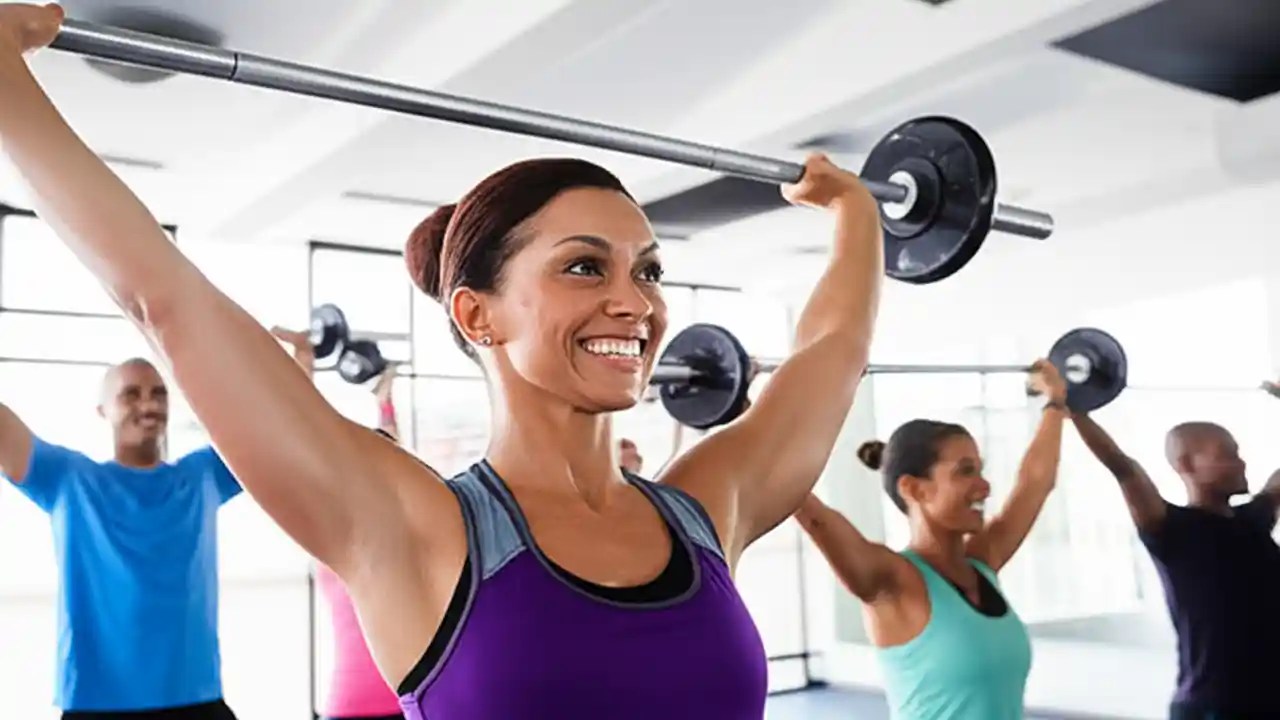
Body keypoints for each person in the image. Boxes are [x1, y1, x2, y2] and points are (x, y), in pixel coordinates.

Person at [0, 6, 884, 717]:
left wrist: (857, 217)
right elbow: (167, 299)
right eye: (585, 266)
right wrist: (6, 81)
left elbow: (832, 354)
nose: (637, 303)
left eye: (648, 271)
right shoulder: (409, 523)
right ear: (476, 314)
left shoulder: (706, 511)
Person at [794, 362, 1068, 720]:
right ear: (913, 488)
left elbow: (1035, 482)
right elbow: (814, 517)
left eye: (980, 469)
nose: (984, 487)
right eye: (965, 471)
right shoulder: (891, 582)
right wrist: (747, 419)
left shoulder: (982, 563)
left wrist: (1056, 402)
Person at [0, 358, 242, 720]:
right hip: (97, 704)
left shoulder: (202, 476)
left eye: (158, 394)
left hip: (196, 700)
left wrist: (301, 367)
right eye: (131, 394)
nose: (149, 405)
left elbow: (273, 431)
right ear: (104, 409)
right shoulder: (70, 479)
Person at [1071, 410, 1280, 719]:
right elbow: (1122, 466)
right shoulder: (1171, 529)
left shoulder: (1254, 520)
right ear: (1185, 464)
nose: (1241, 463)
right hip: (1212, 707)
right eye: (1227, 455)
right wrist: (1073, 407)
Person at [271, 328, 405, 720]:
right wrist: (304, 366)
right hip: (354, 708)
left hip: (414, 704)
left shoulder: (408, 525)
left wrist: (385, 401)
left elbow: (394, 455)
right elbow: (302, 438)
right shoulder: (332, 531)